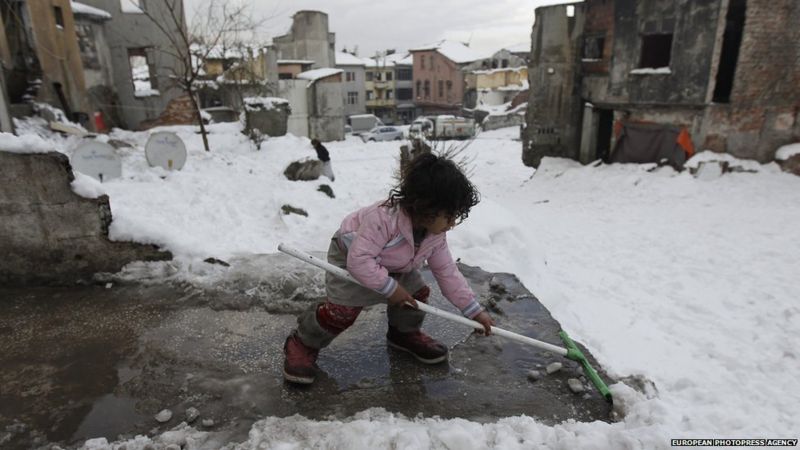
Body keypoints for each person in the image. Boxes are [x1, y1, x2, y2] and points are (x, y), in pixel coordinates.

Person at [283, 153, 494, 384]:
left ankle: (403, 334)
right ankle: (303, 342)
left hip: (394, 263)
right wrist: (391, 288)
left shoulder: (435, 235)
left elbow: (447, 272)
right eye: (449, 215)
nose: (452, 223)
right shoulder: (382, 219)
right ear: (426, 207)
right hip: (352, 259)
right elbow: (360, 261)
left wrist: (473, 311)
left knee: (416, 295)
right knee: (341, 314)